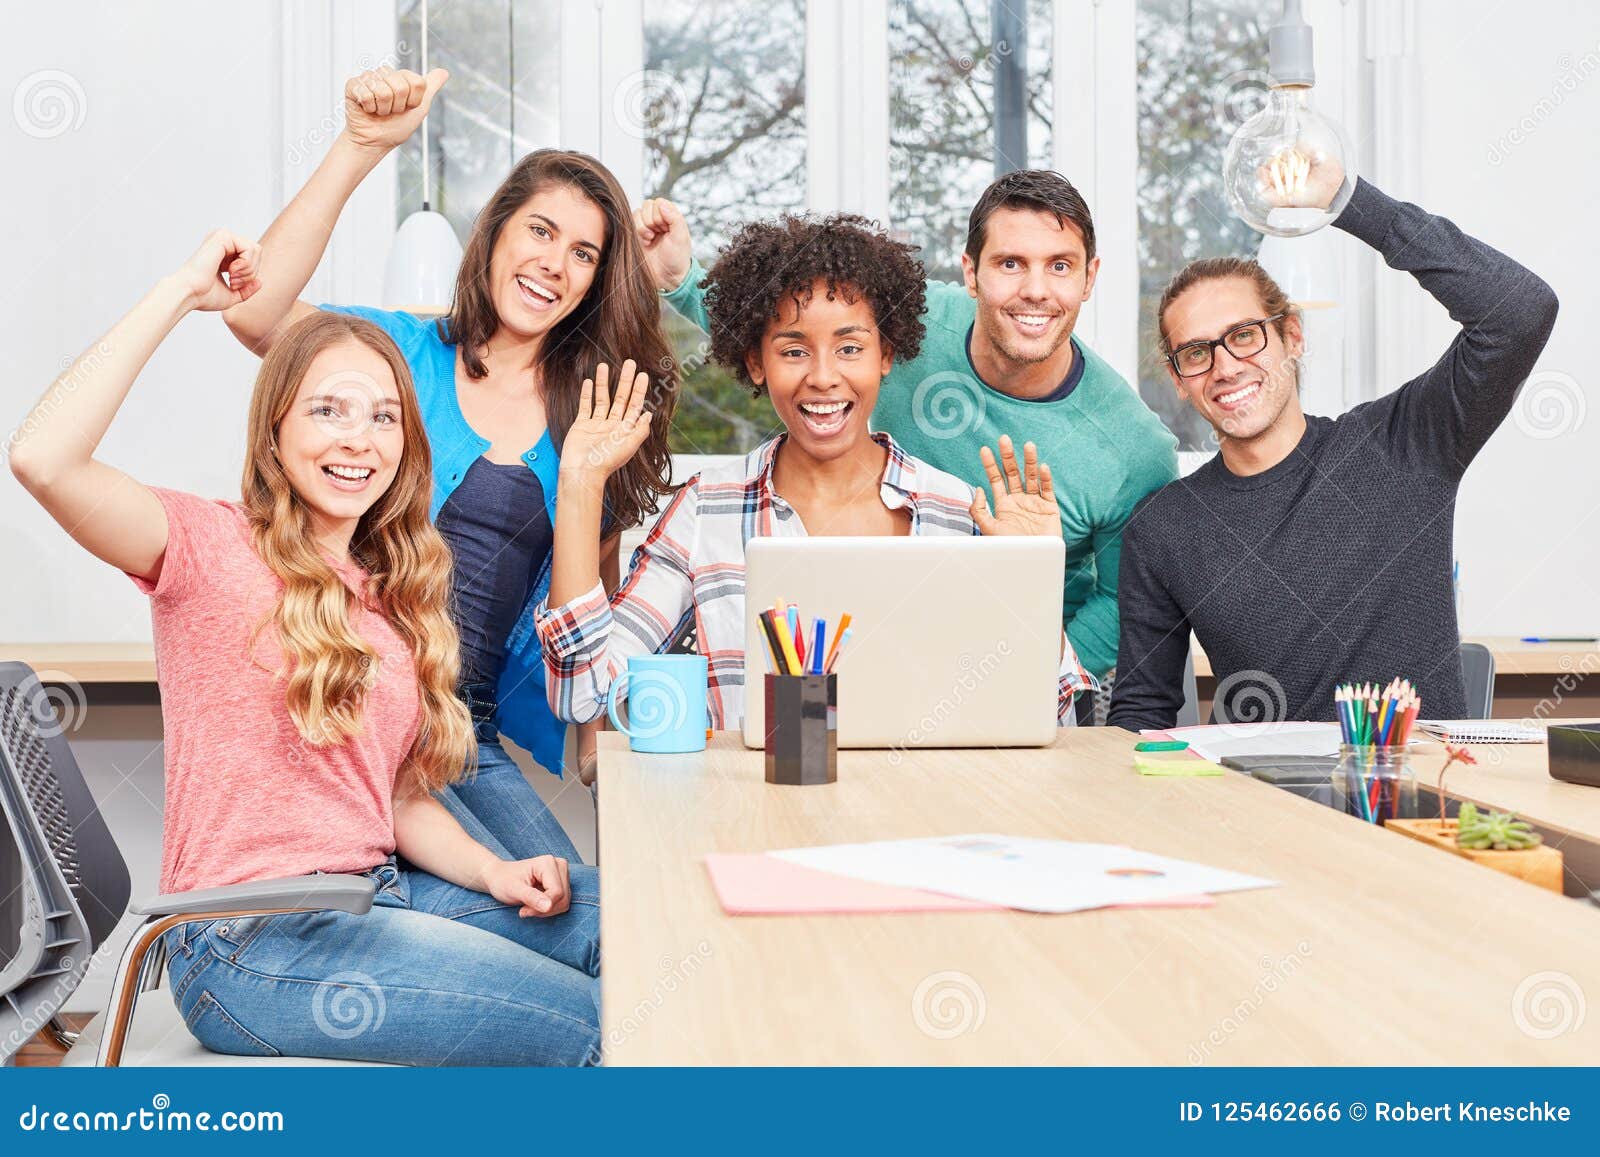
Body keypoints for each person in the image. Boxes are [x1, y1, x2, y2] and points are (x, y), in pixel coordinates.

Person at [9, 232, 600, 1064]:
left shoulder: (391, 588)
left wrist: (489, 872)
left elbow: (392, 798)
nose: (360, 438)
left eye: (383, 416)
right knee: (597, 1026)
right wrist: (180, 292)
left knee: (629, 928)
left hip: (375, 896)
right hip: (252, 942)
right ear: (275, 431)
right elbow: (42, 458)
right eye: (329, 410)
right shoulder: (209, 548)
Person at [221, 66, 677, 853]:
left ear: (597, 282)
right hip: (351, 709)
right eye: (540, 231)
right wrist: (360, 147)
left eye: (583, 253)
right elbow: (256, 313)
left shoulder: (591, 419)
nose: (554, 263)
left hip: (462, 735)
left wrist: (604, 756)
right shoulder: (396, 353)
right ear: (494, 233)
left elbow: (590, 610)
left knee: (584, 907)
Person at [536, 214, 1094, 729]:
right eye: (794, 351)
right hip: (756, 802)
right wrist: (580, 484)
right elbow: (584, 694)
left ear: (886, 355)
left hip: (918, 802)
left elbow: (1057, 714)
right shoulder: (705, 512)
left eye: (850, 348)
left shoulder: (957, 512)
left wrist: (1031, 579)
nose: (824, 377)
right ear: (756, 362)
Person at [636, 170, 1178, 687]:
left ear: (1090, 277)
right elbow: (791, 325)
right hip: (875, 633)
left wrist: (1024, 677)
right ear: (971, 273)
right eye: (1011, 263)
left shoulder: (1135, 450)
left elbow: (1122, 602)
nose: (1035, 290)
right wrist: (681, 281)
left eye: (1060, 265)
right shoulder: (911, 320)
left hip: (1013, 653)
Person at [1107, 167, 1559, 731]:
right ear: (1179, 380)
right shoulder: (1163, 527)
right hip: (1263, 786)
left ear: (1292, 337)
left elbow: (1520, 312)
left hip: (1419, 785)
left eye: (1244, 335)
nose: (1225, 367)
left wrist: (1351, 203)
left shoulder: (1403, 442)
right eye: (1196, 353)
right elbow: (1140, 715)